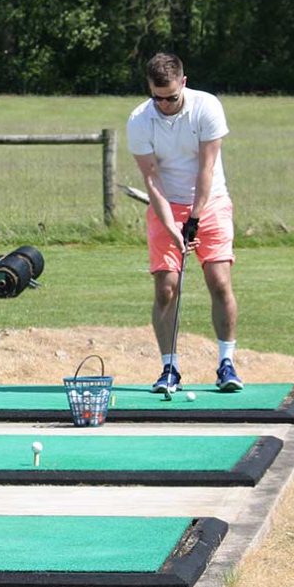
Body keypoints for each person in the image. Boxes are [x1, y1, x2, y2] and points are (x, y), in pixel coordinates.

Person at [127, 52, 243, 393]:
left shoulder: (207, 107)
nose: (163, 104)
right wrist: (172, 224)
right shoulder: (139, 119)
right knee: (166, 288)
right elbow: (152, 180)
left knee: (219, 280)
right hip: (166, 204)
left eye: (171, 97)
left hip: (211, 201)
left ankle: (226, 363)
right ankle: (169, 368)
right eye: (156, 98)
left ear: (184, 83)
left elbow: (206, 169)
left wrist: (193, 217)